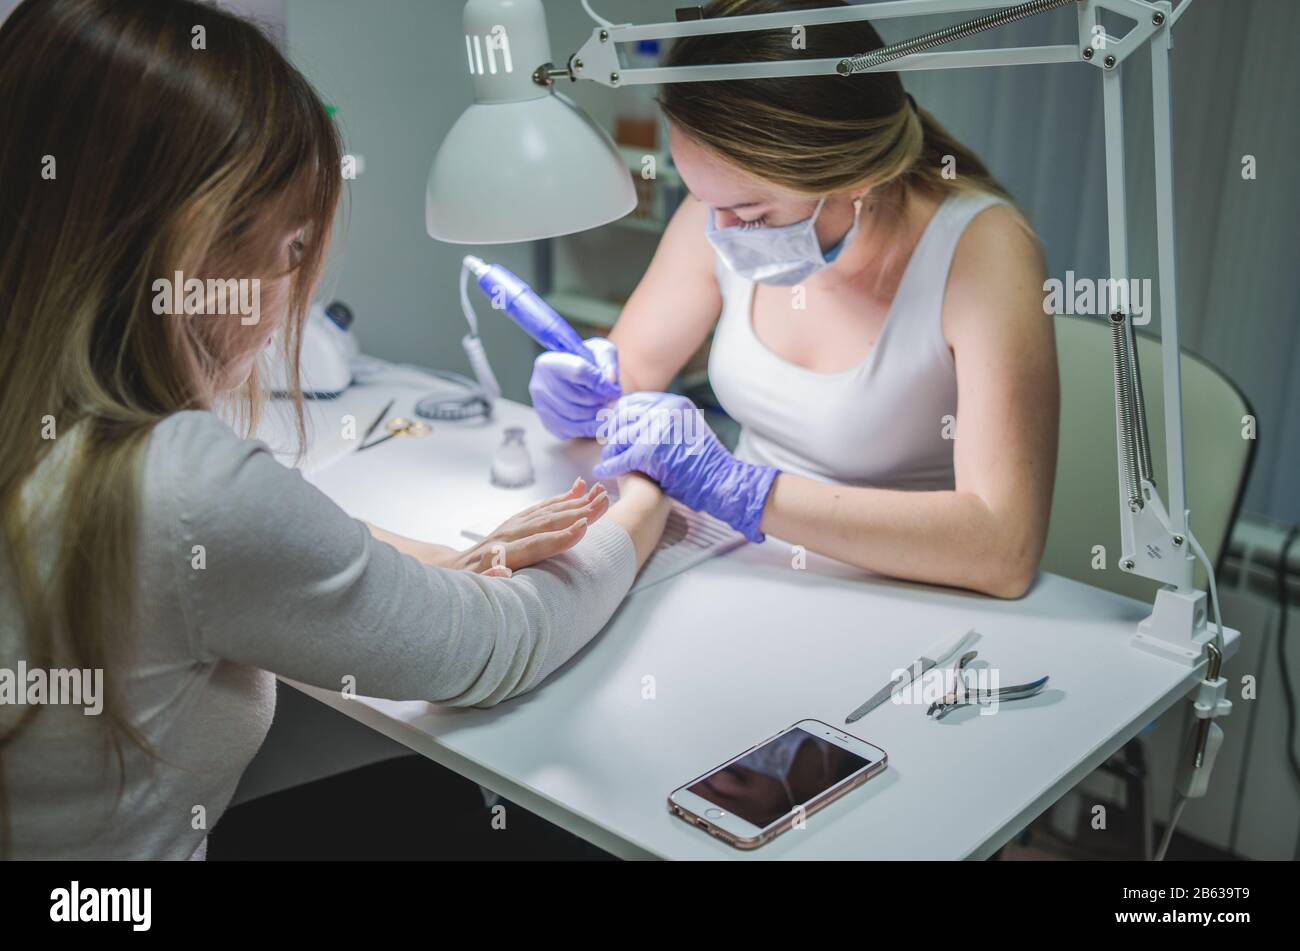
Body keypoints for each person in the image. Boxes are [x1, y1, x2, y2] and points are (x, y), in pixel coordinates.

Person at [0, 0, 669, 860]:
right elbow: (501, 643)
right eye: (289, 250)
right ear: (192, 251)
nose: (295, 286)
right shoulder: (175, 483)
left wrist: (435, 566)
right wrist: (646, 496)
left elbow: (250, 546)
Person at [531, 0, 1059, 599]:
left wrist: (741, 487)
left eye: (751, 213)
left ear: (856, 176)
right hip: (744, 567)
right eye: (707, 201)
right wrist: (586, 390)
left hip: (912, 594)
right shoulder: (724, 204)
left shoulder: (983, 251)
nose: (719, 231)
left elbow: (1003, 550)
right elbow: (623, 383)